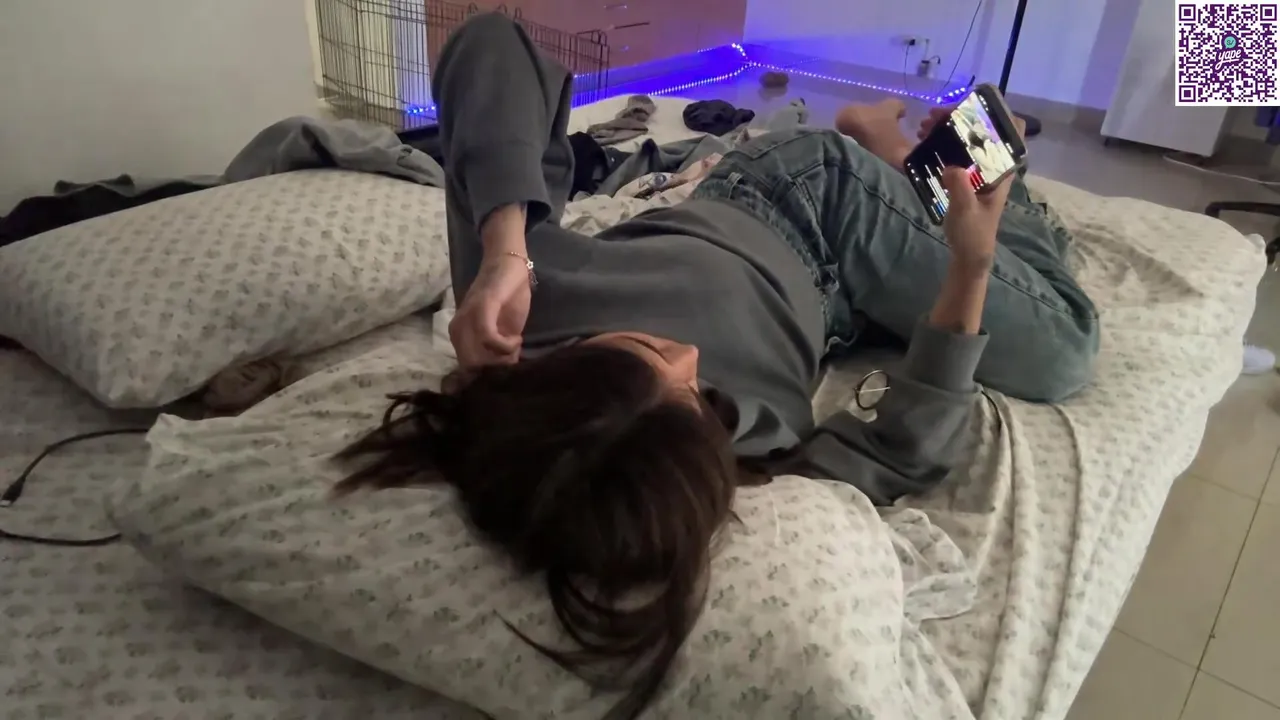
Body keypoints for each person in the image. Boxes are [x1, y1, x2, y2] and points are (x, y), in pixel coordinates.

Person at [336, 13, 1099, 719]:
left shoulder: (520, 316)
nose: (693, 358)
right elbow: (902, 449)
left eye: (649, 348)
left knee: (1062, 343)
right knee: (1048, 332)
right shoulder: (728, 466)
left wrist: (504, 250)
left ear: (565, 363)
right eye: (702, 397)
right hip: (837, 303)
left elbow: (490, 45)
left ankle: (896, 156)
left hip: (805, 198)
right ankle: (898, 157)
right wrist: (970, 263)